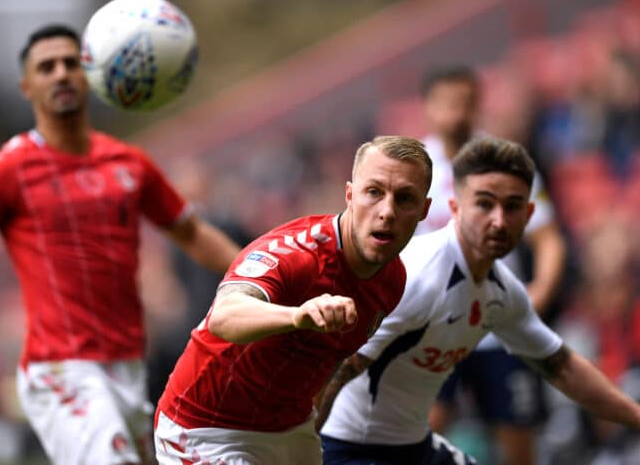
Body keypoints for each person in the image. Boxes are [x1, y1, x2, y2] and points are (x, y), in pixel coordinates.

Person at [0, 24, 241, 465]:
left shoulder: (129, 164)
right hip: (60, 370)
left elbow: (193, 234)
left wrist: (266, 277)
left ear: (90, 76)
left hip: (128, 366)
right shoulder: (5, 172)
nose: (60, 74)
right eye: (47, 67)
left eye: (70, 64)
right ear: (27, 86)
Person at [316, 136, 640, 465]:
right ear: (455, 206)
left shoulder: (501, 290)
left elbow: (561, 366)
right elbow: (334, 368)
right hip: (348, 449)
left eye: (511, 207)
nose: (498, 220)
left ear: (528, 216)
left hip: (414, 447)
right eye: (484, 204)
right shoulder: (413, 277)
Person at [153, 135, 433, 464]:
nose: (387, 212)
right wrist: (297, 316)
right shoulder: (295, 254)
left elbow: (330, 364)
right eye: (373, 192)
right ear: (349, 195)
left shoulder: (393, 281)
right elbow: (224, 316)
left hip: (289, 431)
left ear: (424, 210)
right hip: (207, 428)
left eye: (404, 199)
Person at [416, 65, 566, 465]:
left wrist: (539, 295)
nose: (457, 111)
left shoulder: (505, 160)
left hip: (498, 323)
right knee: (422, 429)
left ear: (478, 103)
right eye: (447, 101)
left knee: (518, 437)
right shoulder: (413, 169)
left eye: (465, 101)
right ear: (428, 107)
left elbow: (548, 237)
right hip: (435, 324)